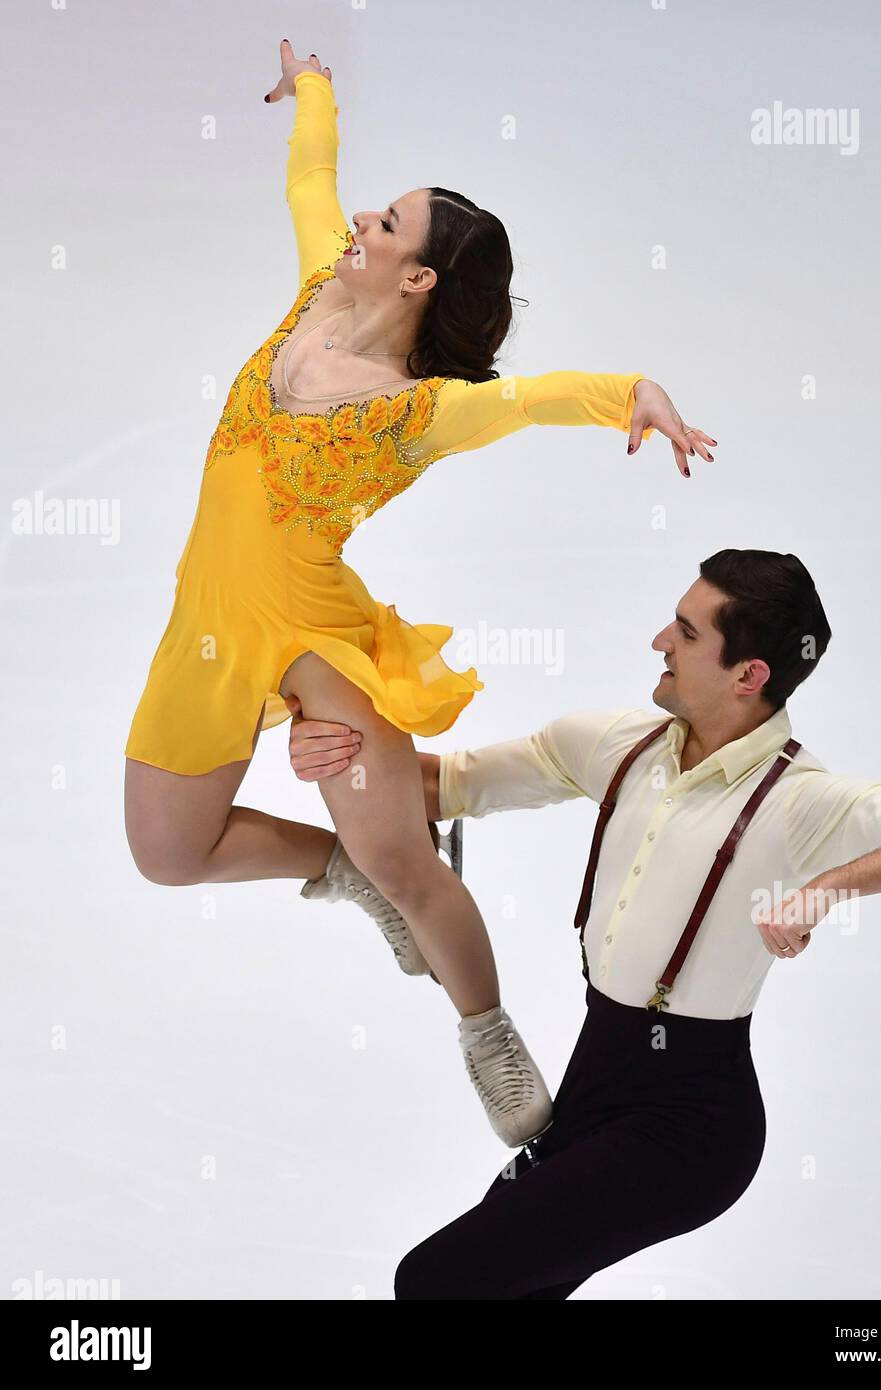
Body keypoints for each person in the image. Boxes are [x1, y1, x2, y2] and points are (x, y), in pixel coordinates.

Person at [122, 40, 717, 1148]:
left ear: (420, 278)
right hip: (202, 626)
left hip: (316, 640)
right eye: (377, 215)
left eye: (387, 227)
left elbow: (540, 398)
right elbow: (310, 180)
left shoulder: (422, 410)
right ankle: (346, 873)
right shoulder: (316, 288)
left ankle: (488, 1032)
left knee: (409, 855)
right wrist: (313, 90)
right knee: (166, 852)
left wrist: (635, 393)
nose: (361, 227)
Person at [285, 549, 881, 1299]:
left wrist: (827, 888)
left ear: (748, 675)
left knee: (439, 1281)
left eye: (687, 633)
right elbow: (434, 787)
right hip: (597, 1078)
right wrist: (341, 751)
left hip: (692, 1126)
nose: (660, 639)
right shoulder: (616, 745)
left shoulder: (801, 799)